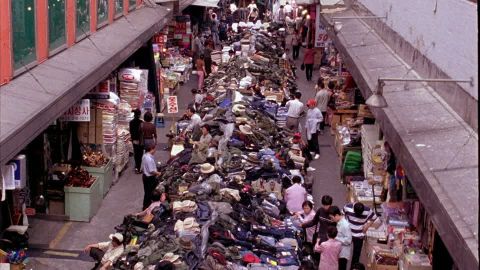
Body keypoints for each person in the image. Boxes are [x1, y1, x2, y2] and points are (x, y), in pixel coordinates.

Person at [343, 202, 380, 266]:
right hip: (348, 234)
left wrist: (367, 225)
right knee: (344, 253)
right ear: (353, 209)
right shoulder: (347, 207)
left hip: (359, 235)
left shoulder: (368, 210)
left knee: (356, 255)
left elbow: (374, 217)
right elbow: (342, 214)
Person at [329, 206, 352, 270]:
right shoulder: (338, 222)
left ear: (336, 215)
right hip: (339, 251)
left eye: (332, 217)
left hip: (343, 253)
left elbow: (348, 241)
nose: (331, 219)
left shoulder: (345, 225)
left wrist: (336, 238)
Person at [141, 144, 161, 210]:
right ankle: (146, 207)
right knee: (149, 193)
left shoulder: (145, 155)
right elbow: (151, 171)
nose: (155, 150)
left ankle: (146, 206)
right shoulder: (149, 159)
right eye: (154, 149)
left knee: (147, 192)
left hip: (145, 177)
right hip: (149, 178)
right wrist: (158, 173)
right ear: (151, 149)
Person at [129, 109, 143, 174]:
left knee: (136, 152)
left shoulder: (131, 122)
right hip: (140, 140)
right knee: (140, 154)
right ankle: (138, 167)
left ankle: (136, 166)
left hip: (134, 140)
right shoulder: (141, 122)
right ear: (139, 115)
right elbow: (142, 132)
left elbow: (131, 131)